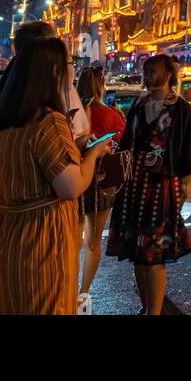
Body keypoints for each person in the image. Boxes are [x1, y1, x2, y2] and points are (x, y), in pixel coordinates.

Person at [0, 37, 111, 314]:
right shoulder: (49, 121)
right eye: (71, 63)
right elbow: (71, 186)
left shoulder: (1, 124)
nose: (74, 69)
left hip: (0, 243)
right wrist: (94, 153)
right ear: (54, 72)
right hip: (39, 247)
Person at [108, 54, 191, 315]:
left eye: (153, 72)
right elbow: (128, 143)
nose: (148, 77)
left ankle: (155, 311)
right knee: (137, 256)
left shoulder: (181, 108)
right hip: (134, 186)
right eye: (146, 72)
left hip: (162, 185)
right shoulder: (139, 105)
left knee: (154, 254)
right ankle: (146, 307)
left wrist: (186, 185)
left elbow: (190, 149)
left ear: (168, 74)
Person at [76, 65, 126, 297]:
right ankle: (83, 292)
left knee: (73, 238)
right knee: (93, 240)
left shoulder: (71, 113)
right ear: (100, 87)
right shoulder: (111, 115)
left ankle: (66, 285)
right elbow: (123, 145)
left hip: (74, 178)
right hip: (101, 182)